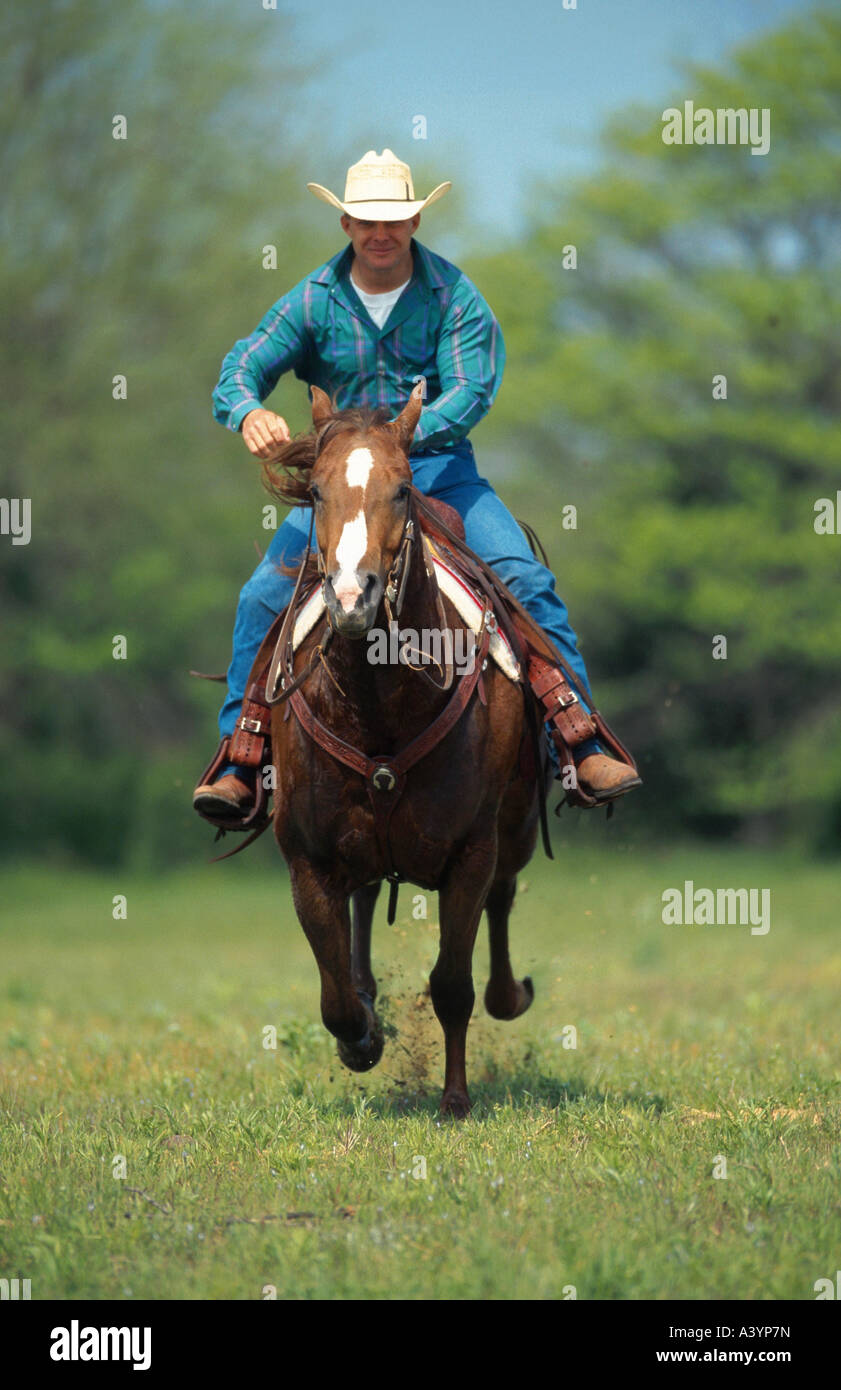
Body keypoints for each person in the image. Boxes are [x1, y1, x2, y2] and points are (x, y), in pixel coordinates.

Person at [194, 148, 640, 819]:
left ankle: (578, 742)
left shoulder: (453, 296)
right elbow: (239, 369)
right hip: (342, 488)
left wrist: (396, 441)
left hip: (439, 475)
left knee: (521, 578)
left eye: (396, 219)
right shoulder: (311, 302)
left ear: (415, 221)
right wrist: (249, 410)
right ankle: (242, 757)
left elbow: (470, 390)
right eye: (368, 220)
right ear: (345, 223)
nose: (382, 232)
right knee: (263, 594)